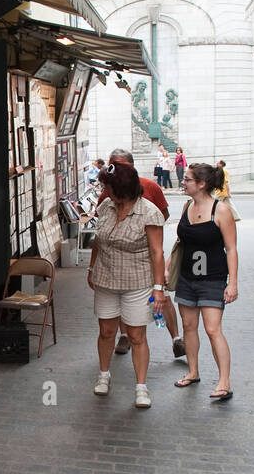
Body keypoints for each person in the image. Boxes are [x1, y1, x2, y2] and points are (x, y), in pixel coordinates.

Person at [87, 162, 170, 408]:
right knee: (106, 331)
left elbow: (157, 252)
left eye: (108, 185)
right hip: (106, 279)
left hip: (137, 281)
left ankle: (141, 387)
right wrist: (91, 268)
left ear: (121, 187)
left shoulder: (149, 212)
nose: (104, 189)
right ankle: (104, 375)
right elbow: (97, 242)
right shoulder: (106, 207)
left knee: (136, 335)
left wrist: (158, 288)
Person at [109, 150, 185, 358]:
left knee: (162, 294)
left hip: (147, 255)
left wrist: (146, 232)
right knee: (121, 296)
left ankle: (176, 338)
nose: (115, 170)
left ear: (131, 167)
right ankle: (124, 335)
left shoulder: (149, 186)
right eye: (112, 165)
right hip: (120, 258)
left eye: (120, 165)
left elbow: (163, 213)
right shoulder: (108, 190)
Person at [173, 163, 238, 401]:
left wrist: (233, 283)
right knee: (189, 327)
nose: (183, 182)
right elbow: (181, 244)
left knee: (212, 329)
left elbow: (231, 249)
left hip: (213, 278)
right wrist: (168, 269)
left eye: (187, 180)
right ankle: (192, 371)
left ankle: (224, 382)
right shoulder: (187, 206)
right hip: (187, 277)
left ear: (201, 184)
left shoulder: (220, 210)